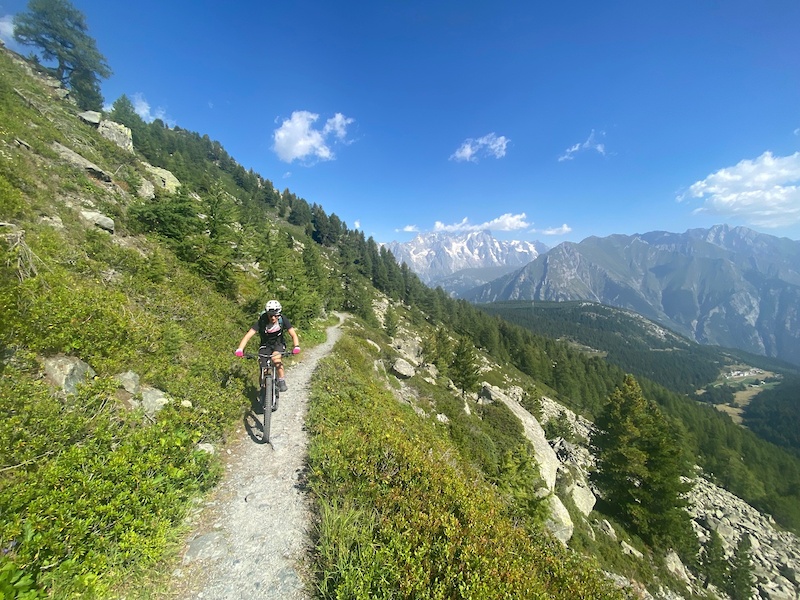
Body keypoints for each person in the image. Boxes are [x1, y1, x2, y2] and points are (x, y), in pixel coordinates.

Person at [235, 300, 300, 391]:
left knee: (276, 359)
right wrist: (240, 349)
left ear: (279, 314)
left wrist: (296, 346)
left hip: (278, 343)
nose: (273, 318)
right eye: (270, 315)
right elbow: (248, 335)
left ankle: (281, 380)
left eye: (276, 315)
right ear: (267, 314)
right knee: (263, 367)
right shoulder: (262, 320)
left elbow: (293, 334)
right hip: (265, 345)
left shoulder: (283, 319)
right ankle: (263, 389)